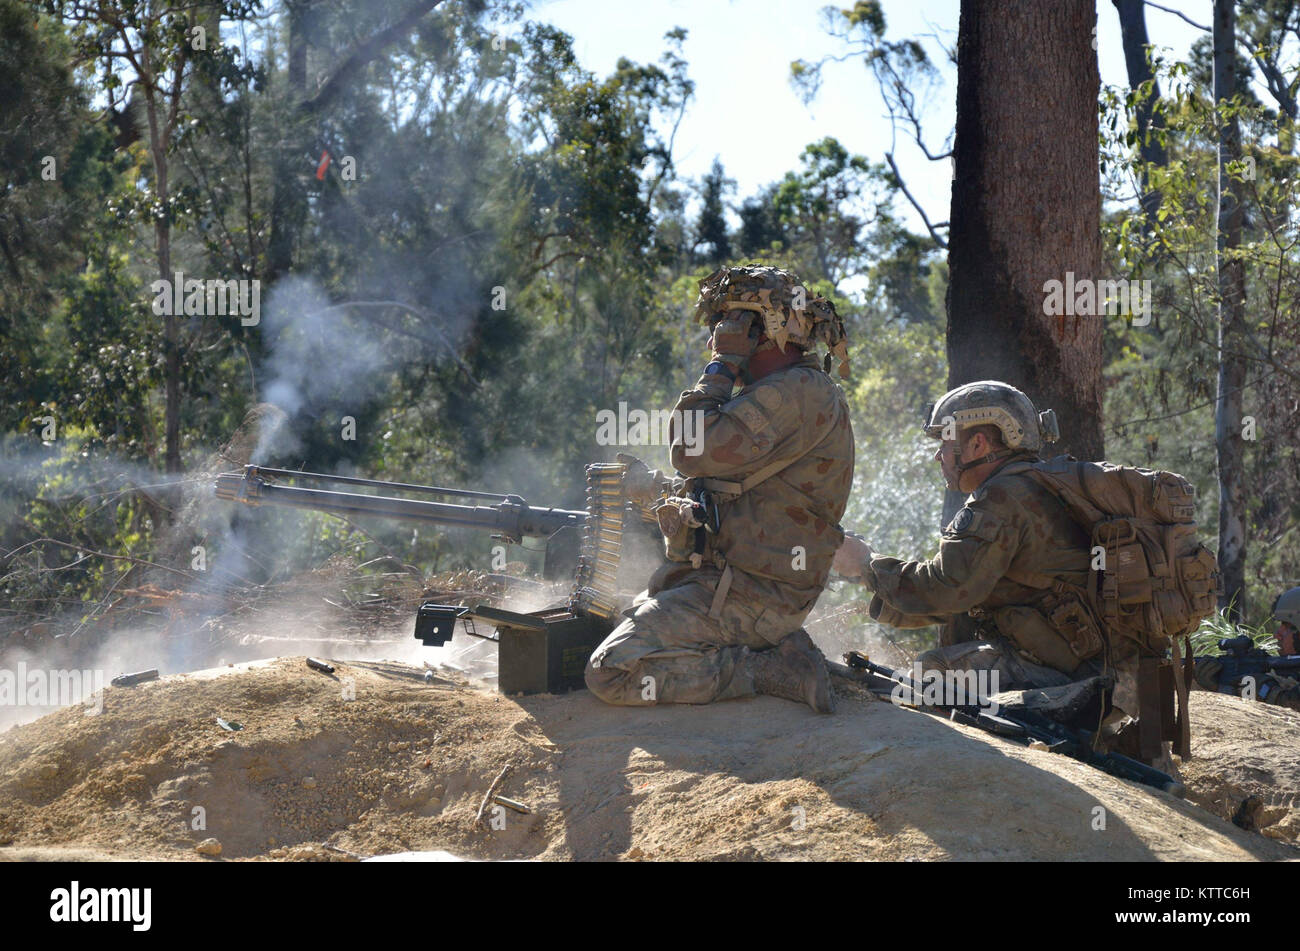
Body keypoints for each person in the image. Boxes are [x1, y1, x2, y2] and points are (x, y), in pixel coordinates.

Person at [833, 380, 1155, 754]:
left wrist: (868, 566)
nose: (940, 456)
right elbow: (953, 603)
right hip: (1116, 673)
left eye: (946, 443)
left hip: (1081, 679)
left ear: (978, 444)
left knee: (932, 672)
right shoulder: (1038, 486)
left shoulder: (1003, 499)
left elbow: (946, 588)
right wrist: (867, 574)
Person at [585, 265, 854, 713]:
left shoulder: (795, 392)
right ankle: (774, 649)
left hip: (751, 595)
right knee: (610, 616)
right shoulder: (789, 390)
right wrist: (652, 488)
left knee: (610, 671)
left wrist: (722, 365)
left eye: (727, 328)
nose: (714, 340)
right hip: (739, 586)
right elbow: (731, 489)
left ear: (760, 331)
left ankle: (769, 670)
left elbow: (691, 448)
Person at [1193, 587, 1300, 711]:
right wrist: (1220, 687)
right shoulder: (1282, 671)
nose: (1277, 635)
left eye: (1288, 627)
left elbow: (1293, 704)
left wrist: (1266, 691)